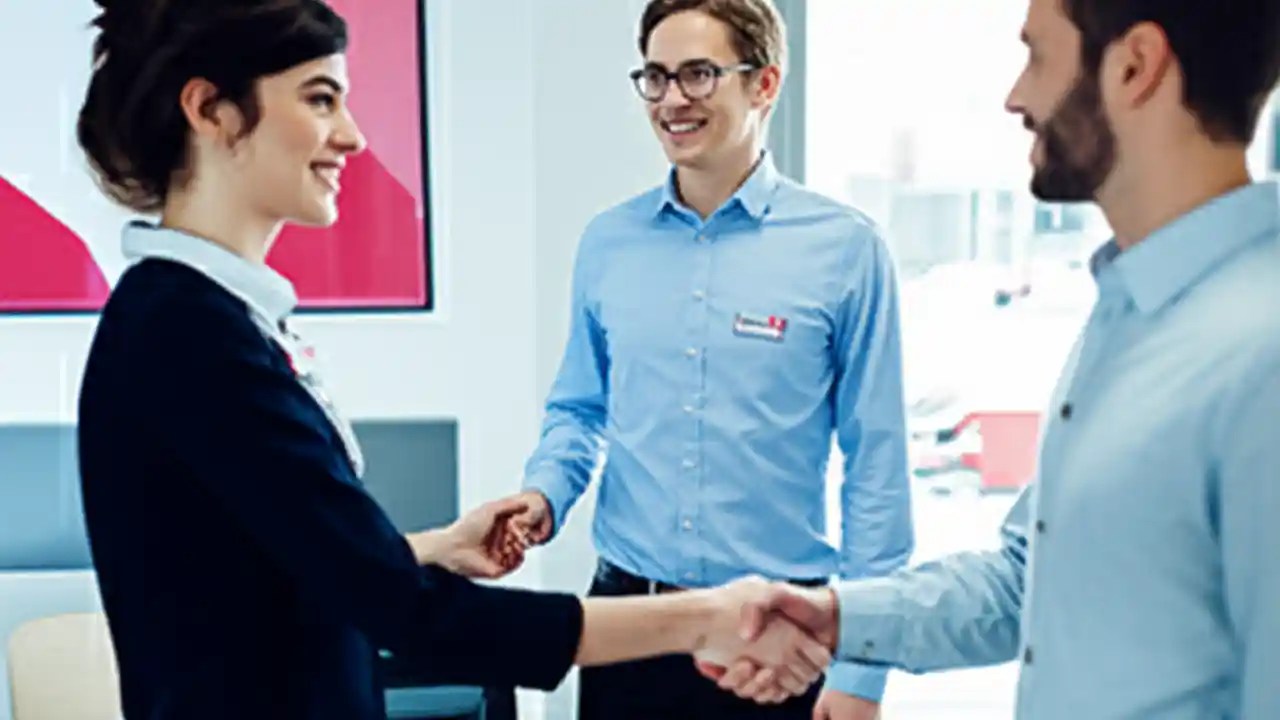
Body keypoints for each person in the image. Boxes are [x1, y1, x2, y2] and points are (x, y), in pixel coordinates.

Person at [72, 2, 833, 718]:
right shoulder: (186, 335)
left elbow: (279, 564)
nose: (352, 137)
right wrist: (704, 616)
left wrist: (435, 547)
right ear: (210, 111)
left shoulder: (207, 319)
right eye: (319, 99)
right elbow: (416, 615)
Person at [702, 1, 1280, 718]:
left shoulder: (1260, 354)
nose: (1017, 96)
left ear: (1135, 67)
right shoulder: (1129, 314)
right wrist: (838, 616)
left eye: (1037, 57)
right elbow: (1026, 579)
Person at [505, 1, 913, 718]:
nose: (672, 100)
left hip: (777, 638)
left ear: (764, 84)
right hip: (628, 629)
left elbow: (876, 472)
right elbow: (580, 408)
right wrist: (545, 494)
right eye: (656, 77)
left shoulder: (846, 251)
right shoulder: (608, 243)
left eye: (698, 74)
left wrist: (863, 675)